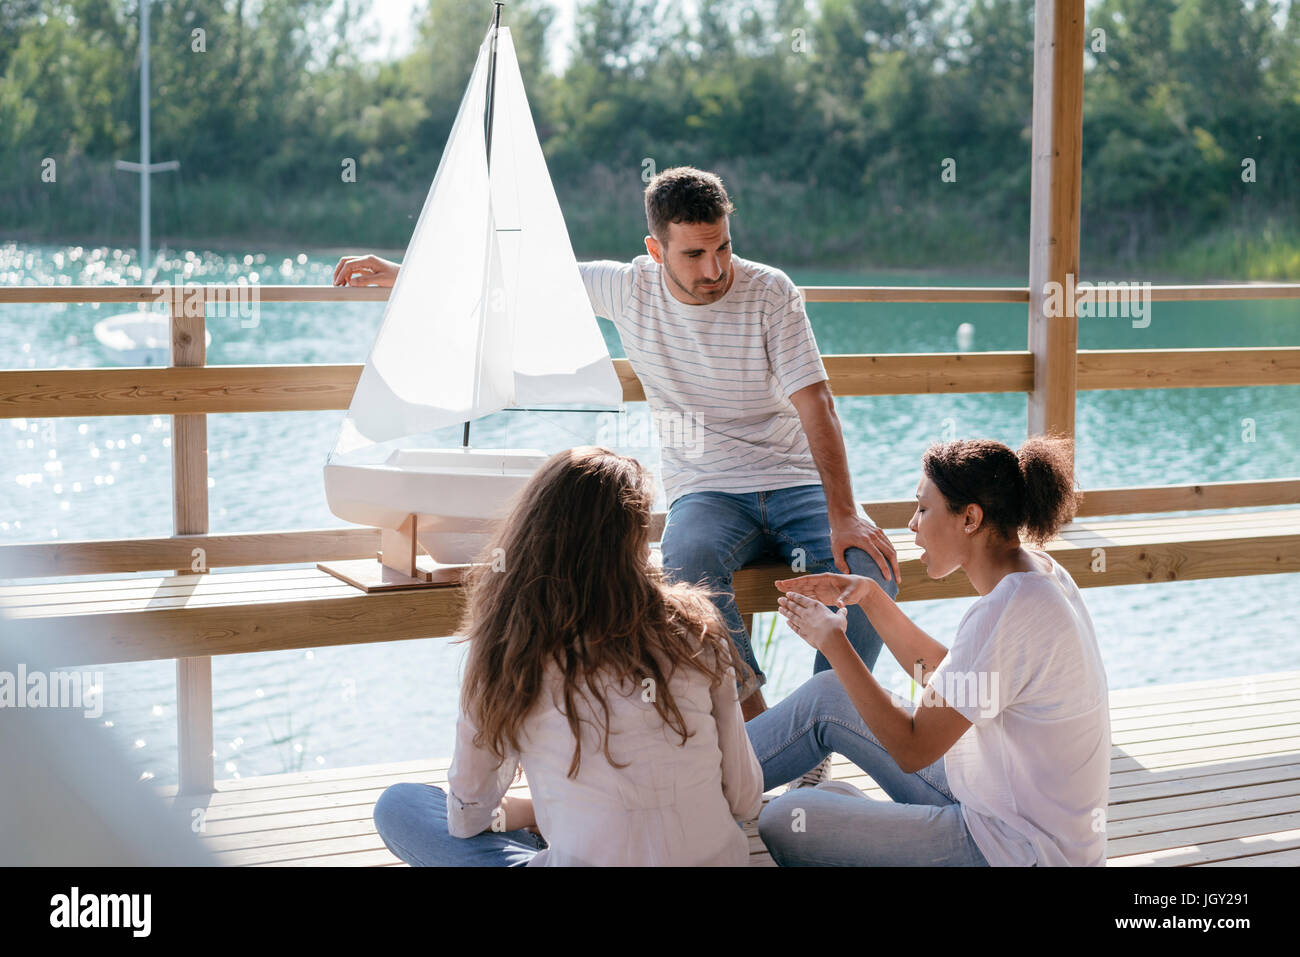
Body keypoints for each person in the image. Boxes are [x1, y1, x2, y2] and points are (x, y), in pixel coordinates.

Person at [335, 168, 900, 773]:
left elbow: (817, 405)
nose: (714, 270)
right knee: (686, 575)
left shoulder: (771, 292)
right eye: (694, 255)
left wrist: (843, 513)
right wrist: (405, 274)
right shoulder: (627, 289)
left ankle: (826, 718)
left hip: (796, 484)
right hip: (707, 492)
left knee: (874, 573)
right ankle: (768, 738)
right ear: (656, 251)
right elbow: (512, 281)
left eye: (723, 247)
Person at [371, 446, 763, 866]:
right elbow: (745, 800)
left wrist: (529, 811)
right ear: (634, 540)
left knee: (401, 805)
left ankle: (558, 829)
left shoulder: (509, 648)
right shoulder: (695, 628)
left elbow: (467, 818)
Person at [746, 436, 1111, 866]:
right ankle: (701, 783)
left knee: (788, 819)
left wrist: (833, 642)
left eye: (922, 508)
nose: (912, 524)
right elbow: (948, 678)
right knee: (830, 694)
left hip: (1014, 850)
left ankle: (698, 792)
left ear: (970, 518)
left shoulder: (1007, 611)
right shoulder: (1039, 575)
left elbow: (913, 748)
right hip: (990, 800)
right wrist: (868, 596)